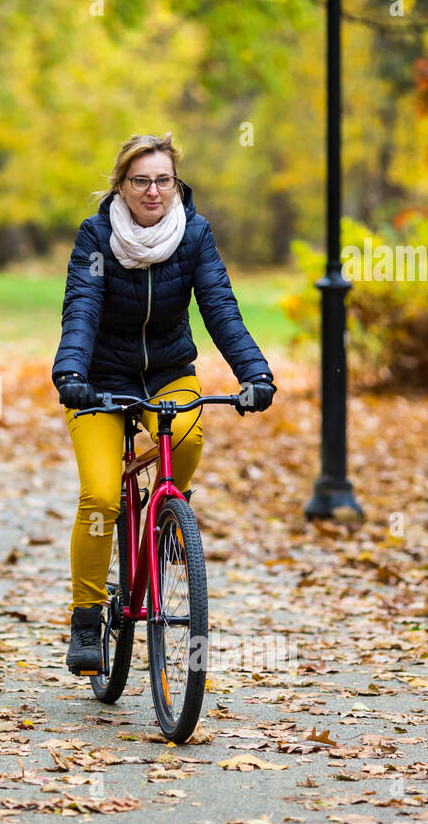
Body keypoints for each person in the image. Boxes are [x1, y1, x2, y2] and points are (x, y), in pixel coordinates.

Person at [52, 133, 277, 674]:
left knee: (190, 435)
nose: (153, 191)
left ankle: (167, 514)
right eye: (141, 181)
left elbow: (220, 307)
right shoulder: (96, 237)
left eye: (163, 180)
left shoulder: (194, 235)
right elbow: (81, 308)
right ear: (122, 186)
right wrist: (72, 373)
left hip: (170, 374)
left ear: (175, 183)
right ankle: (87, 619)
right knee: (102, 496)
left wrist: (255, 372)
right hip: (100, 381)